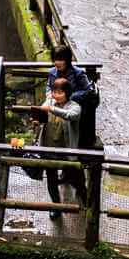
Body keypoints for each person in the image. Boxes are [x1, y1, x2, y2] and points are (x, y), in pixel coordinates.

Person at [37, 77, 84, 218]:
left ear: (67, 93)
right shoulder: (49, 102)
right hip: (48, 148)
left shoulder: (75, 106)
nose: (56, 95)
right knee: (51, 179)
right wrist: (37, 119)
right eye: (54, 92)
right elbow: (42, 114)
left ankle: (86, 198)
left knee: (75, 178)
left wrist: (52, 109)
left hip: (66, 151)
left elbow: (70, 115)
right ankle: (56, 207)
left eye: (60, 92)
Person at [47, 46, 99, 148]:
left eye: (61, 60)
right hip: (58, 104)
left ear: (67, 60)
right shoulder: (52, 72)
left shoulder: (78, 73)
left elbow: (88, 90)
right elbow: (49, 85)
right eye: (56, 59)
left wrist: (69, 95)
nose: (57, 63)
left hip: (74, 106)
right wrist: (49, 93)